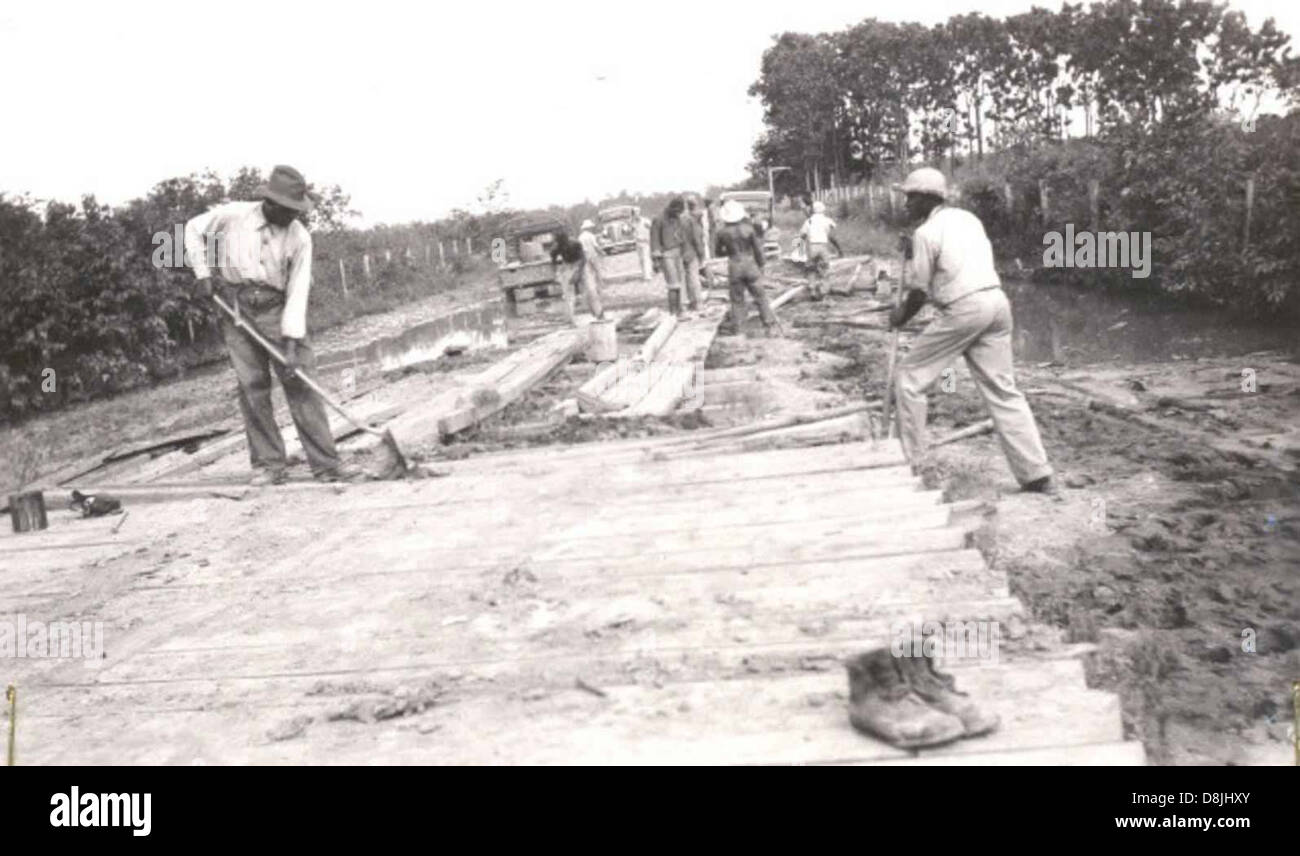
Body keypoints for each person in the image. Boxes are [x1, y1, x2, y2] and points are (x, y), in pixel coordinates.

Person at [184, 164, 363, 486]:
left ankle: (326, 465)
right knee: (252, 387)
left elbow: (298, 291)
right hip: (235, 308)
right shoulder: (232, 216)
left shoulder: (300, 238)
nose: (294, 216)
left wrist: (292, 343)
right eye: (289, 210)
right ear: (272, 203)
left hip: (277, 308)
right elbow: (192, 230)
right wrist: (203, 274)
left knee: (301, 383)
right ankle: (269, 465)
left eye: (298, 210)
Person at [889, 167, 1055, 493]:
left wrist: (899, 317)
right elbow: (956, 256)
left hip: (964, 309)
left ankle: (915, 466)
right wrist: (914, 252)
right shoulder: (968, 220)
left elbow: (919, 292)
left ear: (926, 199)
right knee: (1003, 390)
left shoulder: (926, 234)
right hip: (997, 304)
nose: (906, 204)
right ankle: (1037, 473)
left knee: (909, 378)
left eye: (910, 198)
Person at [713, 200, 779, 337]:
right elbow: (758, 250)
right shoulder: (749, 229)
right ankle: (769, 326)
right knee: (760, 297)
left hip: (735, 265)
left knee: (737, 299)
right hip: (750, 264)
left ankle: (739, 328)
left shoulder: (722, 233)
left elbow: (718, 252)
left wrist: (730, 252)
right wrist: (761, 265)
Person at [651, 197, 705, 316]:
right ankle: (674, 311)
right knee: (673, 284)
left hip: (679, 252)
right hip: (667, 254)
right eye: (676, 212)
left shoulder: (679, 218)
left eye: (679, 212)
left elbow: (684, 235)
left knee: (681, 282)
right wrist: (656, 260)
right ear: (671, 208)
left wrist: (687, 251)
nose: (678, 214)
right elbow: (654, 241)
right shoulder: (658, 219)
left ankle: (683, 307)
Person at [551, 222, 605, 324]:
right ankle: (570, 320)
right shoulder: (556, 248)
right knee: (568, 295)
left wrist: (578, 273)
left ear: (567, 239)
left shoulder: (575, 244)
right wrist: (557, 274)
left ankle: (599, 314)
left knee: (590, 290)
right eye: (560, 243)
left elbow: (583, 259)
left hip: (581, 264)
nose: (563, 245)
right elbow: (553, 262)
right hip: (567, 265)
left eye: (564, 242)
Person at [801, 200, 843, 299]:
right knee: (826, 269)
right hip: (823, 246)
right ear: (823, 210)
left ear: (813, 210)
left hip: (812, 246)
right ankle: (823, 291)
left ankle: (812, 290)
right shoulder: (826, 220)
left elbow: (802, 235)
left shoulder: (809, 221)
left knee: (811, 269)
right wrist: (839, 249)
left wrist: (799, 249)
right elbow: (832, 235)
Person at [635, 214, 653, 281]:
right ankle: (644, 274)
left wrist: (649, 237)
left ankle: (648, 276)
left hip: (645, 242)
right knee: (641, 260)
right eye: (634, 214)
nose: (636, 215)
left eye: (637, 213)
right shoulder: (634, 223)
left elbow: (652, 228)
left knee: (646, 258)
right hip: (638, 243)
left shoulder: (645, 221)